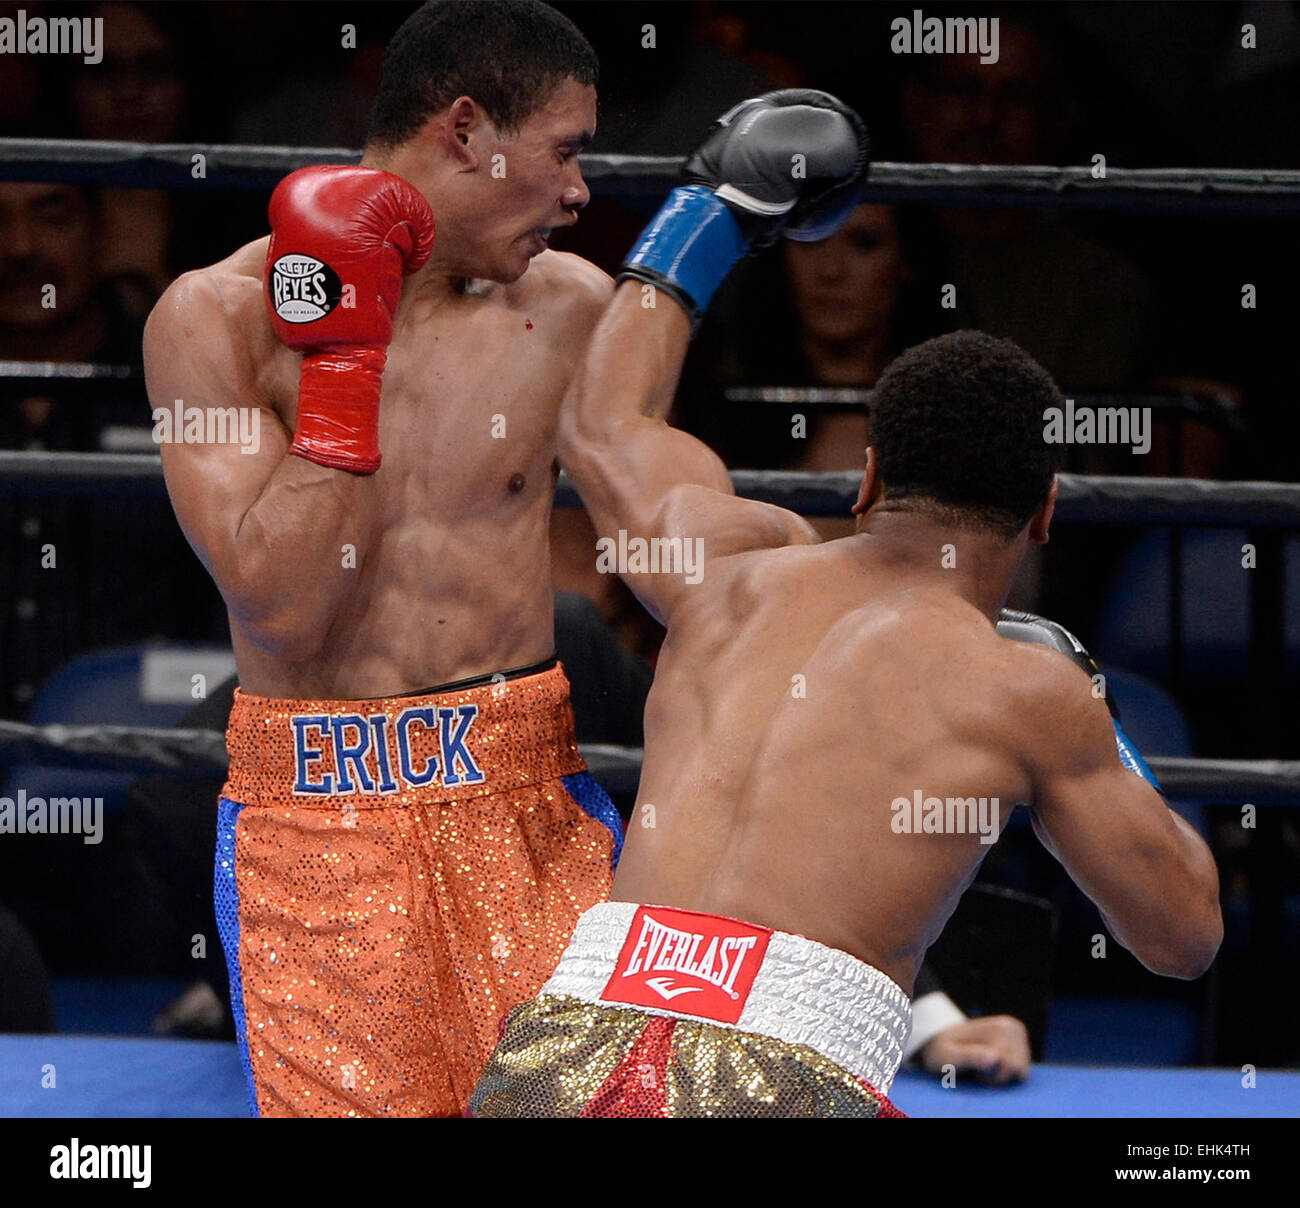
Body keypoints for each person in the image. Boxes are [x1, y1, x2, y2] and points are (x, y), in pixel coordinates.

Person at [469, 90, 1222, 1117]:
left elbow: (604, 422)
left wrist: (710, 212)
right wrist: (1092, 700)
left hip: (563, 1050)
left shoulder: (725, 575)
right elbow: (1183, 933)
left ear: (866, 481)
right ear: (1044, 511)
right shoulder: (1026, 689)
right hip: (782, 1074)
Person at [144, 0, 622, 1118]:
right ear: (467, 130)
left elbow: (679, 550)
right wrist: (346, 358)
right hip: (318, 820)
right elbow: (283, 608)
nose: (578, 192)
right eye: (565, 151)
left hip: (522, 801)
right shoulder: (213, 316)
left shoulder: (571, 310)